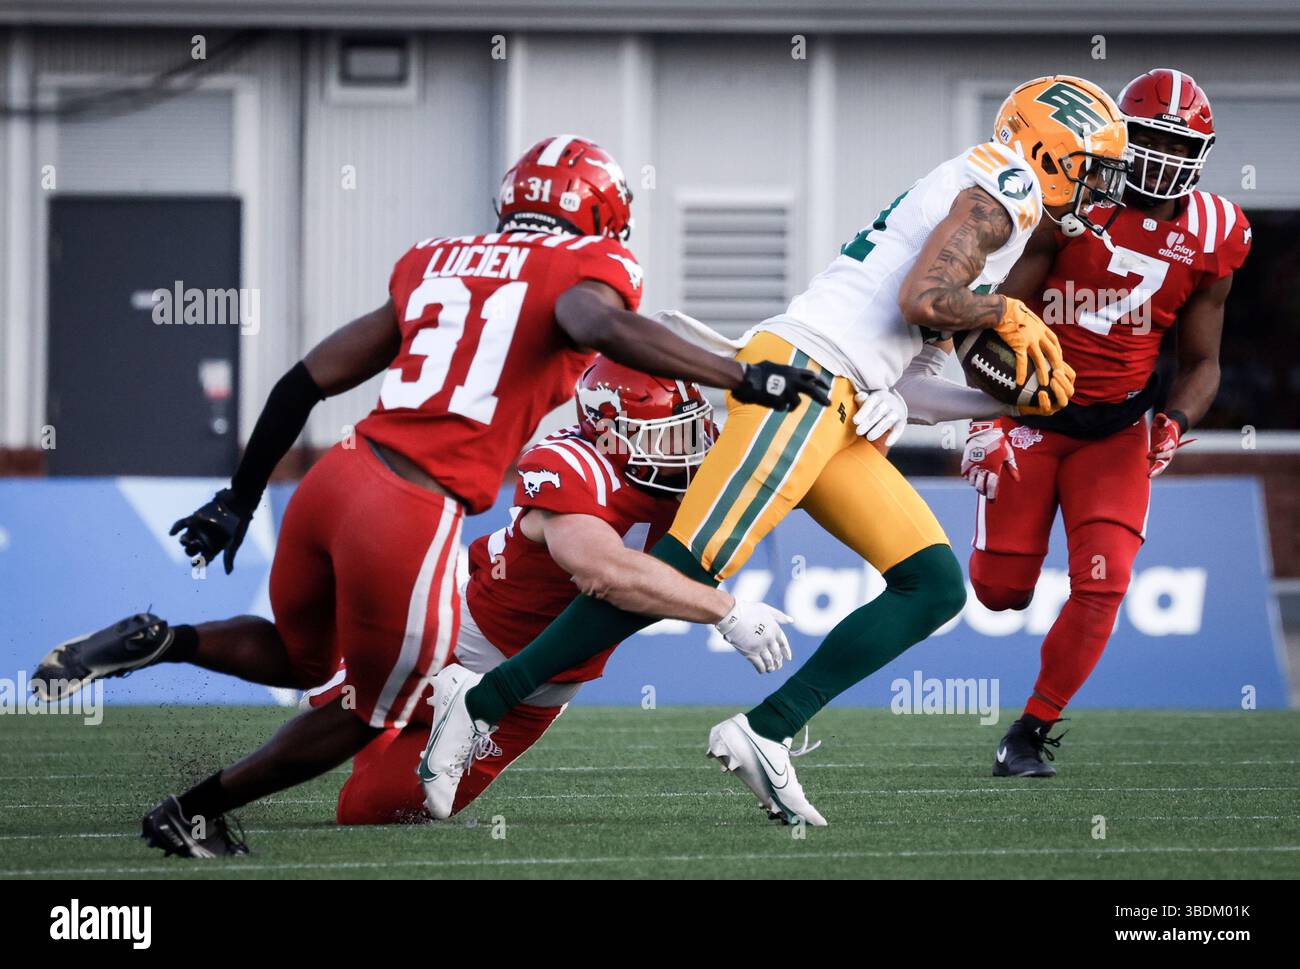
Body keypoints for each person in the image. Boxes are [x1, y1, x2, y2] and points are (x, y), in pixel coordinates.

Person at [32, 135, 825, 857]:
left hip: (337, 474)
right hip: (406, 507)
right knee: (368, 710)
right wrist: (743, 376)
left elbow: (305, 378)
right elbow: (591, 317)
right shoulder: (588, 280)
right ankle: (195, 809)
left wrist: (238, 499)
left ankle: (162, 637)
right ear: (600, 216)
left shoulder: (439, 258)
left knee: (304, 655)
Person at [418, 76, 1131, 826]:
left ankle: (765, 729)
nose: (1097, 191)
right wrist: (1003, 307)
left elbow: (912, 375)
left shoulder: (993, 196)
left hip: (841, 396)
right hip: (806, 380)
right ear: (1050, 154)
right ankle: (482, 696)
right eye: (1092, 169)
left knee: (933, 584)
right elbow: (925, 298)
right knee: (686, 567)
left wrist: (1001, 400)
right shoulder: (1008, 188)